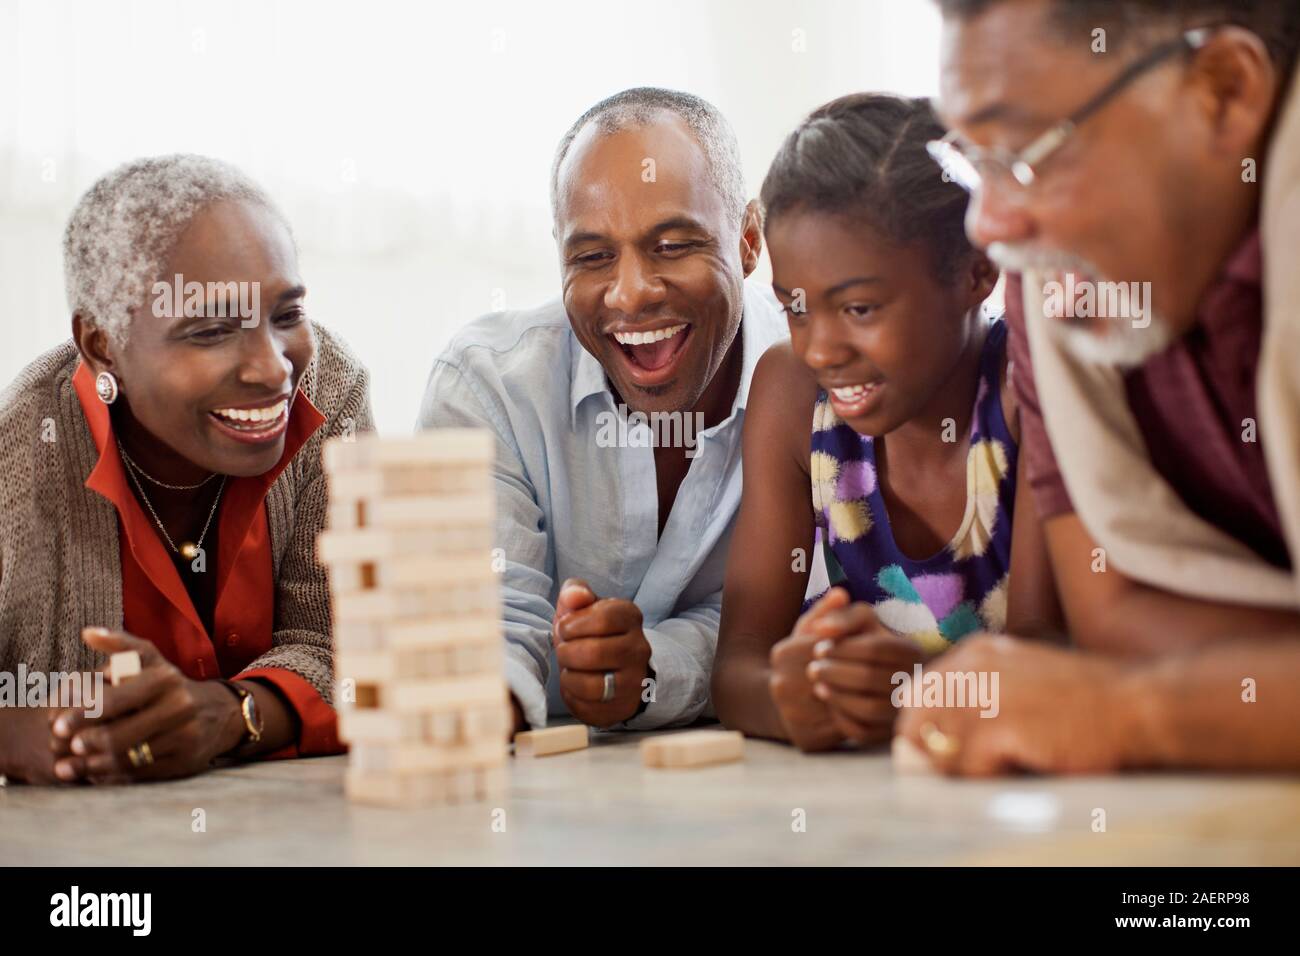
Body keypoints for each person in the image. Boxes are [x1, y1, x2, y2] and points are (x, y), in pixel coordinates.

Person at [899, 0, 1300, 772]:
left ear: (1223, 90)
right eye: (973, 159)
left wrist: (1130, 711)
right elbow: (1113, 611)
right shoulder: (1057, 287)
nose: (988, 225)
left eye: (1021, 151)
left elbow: (1125, 667)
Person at [418, 88, 786, 734]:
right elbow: (489, 622)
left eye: (672, 245)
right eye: (592, 257)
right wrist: (470, 707)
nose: (630, 293)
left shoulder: (815, 370)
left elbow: (792, 613)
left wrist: (654, 669)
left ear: (749, 239)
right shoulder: (486, 388)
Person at [0, 155, 373, 784]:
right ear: (102, 346)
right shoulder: (21, 455)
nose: (274, 367)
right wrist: (20, 735)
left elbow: (360, 649)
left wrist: (229, 715)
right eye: (210, 331)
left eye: (286, 315)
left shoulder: (328, 391)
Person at [713, 94, 1055, 751]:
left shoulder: (1026, 391)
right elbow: (737, 667)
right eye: (796, 308)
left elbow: (1049, 655)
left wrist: (913, 689)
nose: (820, 350)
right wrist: (792, 703)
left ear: (979, 272)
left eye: (861, 309)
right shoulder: (791, 398)